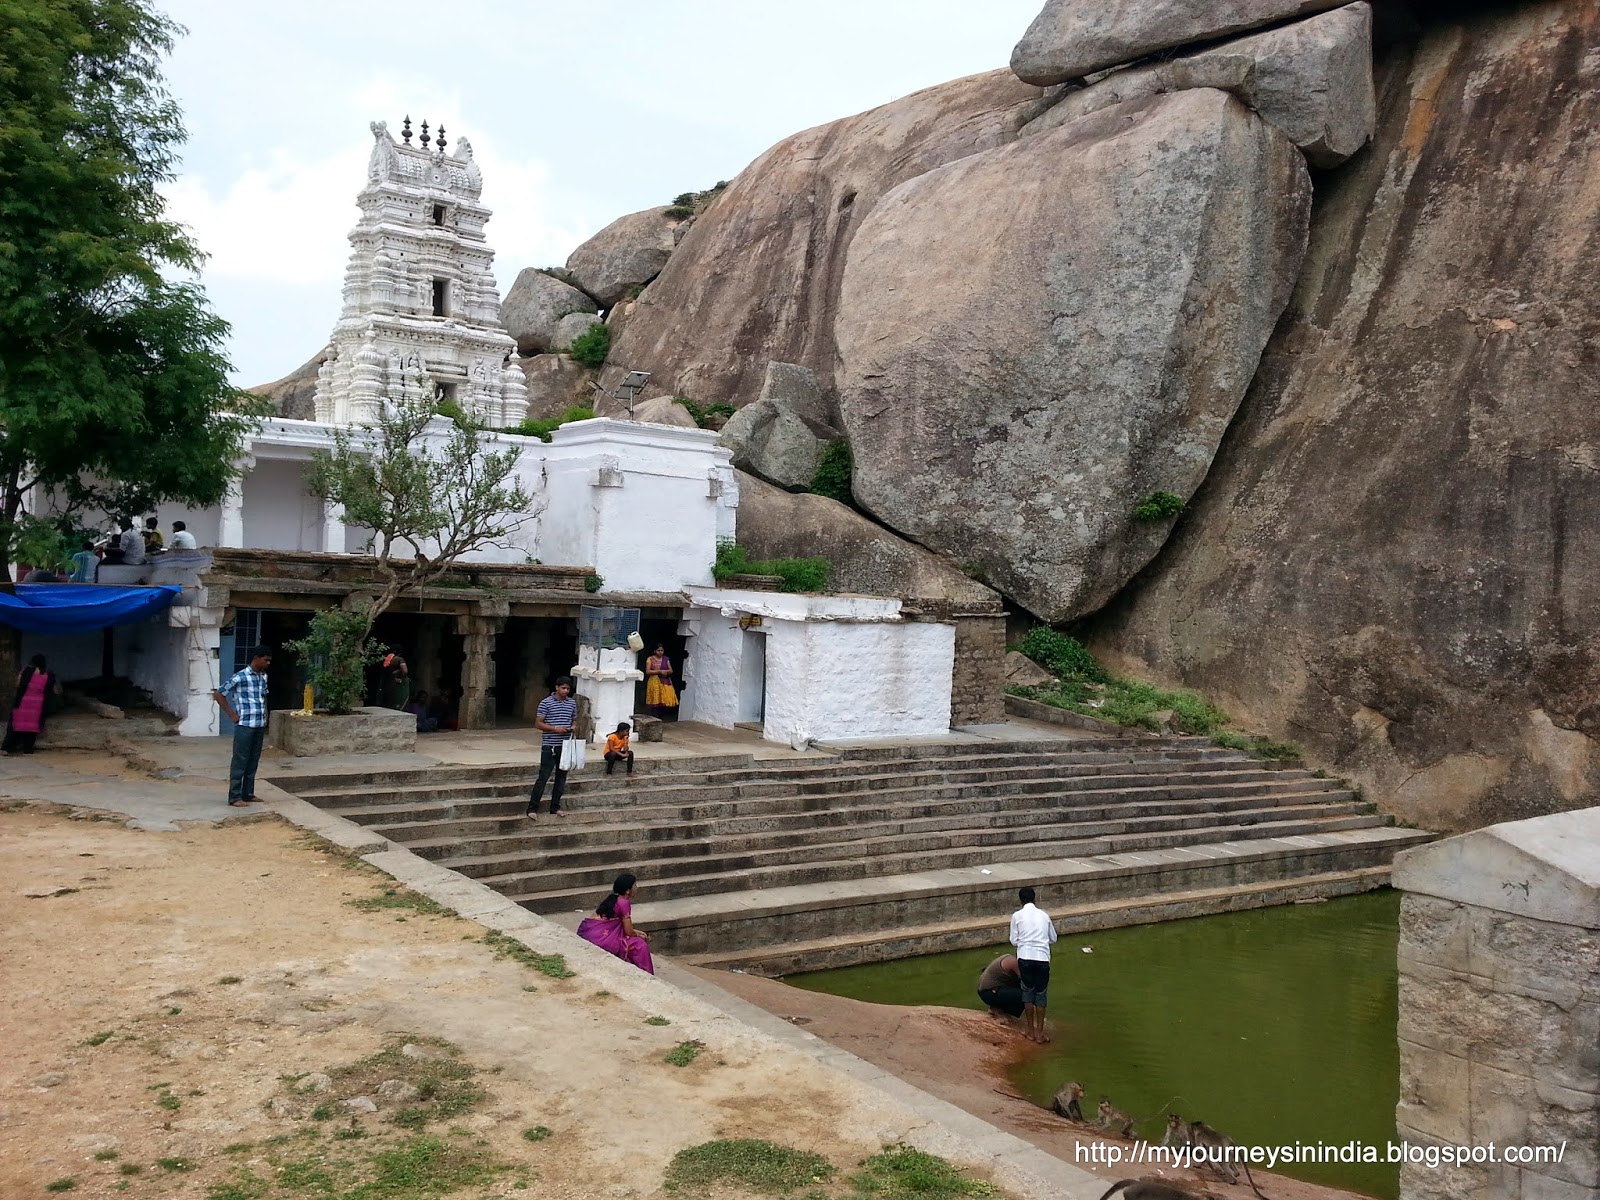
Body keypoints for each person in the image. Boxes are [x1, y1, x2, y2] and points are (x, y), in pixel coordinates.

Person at [214, 645, 273, 809]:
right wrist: (232, 714)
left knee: (253, 760)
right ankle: (234, 796)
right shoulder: (240, 677)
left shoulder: (263, 677)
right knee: (240, 760)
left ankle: (248, 793)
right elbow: (219, 693)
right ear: (256, 658)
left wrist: (266, 714)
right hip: (245, 725)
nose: (268, 663)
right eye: (265, 660)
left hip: (259, 724)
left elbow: (264, 697)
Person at [575, 872, 654, 974]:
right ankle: (645, 974)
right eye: (635, 886)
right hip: (603, 938)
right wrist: (640, 934)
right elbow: (629, 932)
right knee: (640, 944)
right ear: (627, 891)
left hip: (590, 932)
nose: (637, 888)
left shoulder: (611, 898)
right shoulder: (624, 903)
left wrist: (637, 932)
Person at [1010, 886, 1057, 1043]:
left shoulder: (1017, 916)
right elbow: (1053, 938)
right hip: (1042, 958)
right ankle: (1040, 1034)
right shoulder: (1044, 916)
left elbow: (1013, 940)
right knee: (1041, 994)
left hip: (1025, 957)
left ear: (1020, 900)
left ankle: (1030, 1031)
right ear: (1035, 898)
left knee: (1028, 992)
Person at [525, 677, 577, 818]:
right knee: (543, 777)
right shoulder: (546, 703)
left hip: (565, 746)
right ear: (556, 687)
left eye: (567, 689)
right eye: (563, 688)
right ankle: (532, 808)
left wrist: (572, 727)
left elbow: (574, 719)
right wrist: (555, 729)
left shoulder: (571, 703)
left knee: (561, 778)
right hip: (550, 745)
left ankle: (555, 807)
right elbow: (538, 723)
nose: (565, 691)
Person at [2, 655, 61, 754]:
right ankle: (28, 749)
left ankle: (8, 748)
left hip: (22, 703)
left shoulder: (26, 671)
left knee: (16, 726)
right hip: (37, 705)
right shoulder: (49, 675)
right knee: (31, 728)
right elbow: (56, 691)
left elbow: (18, 684)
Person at [976, 953, 1025, 1020]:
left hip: (989, 990)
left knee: (1019, 987)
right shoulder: (1013, 962)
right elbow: (1026, 980)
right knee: (1026, 995)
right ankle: (1003, 1011)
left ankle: (998, 1008)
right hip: (988, 992)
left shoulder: (1010, 958)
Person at [644, 644, 678, 717]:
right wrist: (659, 671)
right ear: (654, 651)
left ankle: (660, 716)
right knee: (654, 699)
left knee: (663, 698)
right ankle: (653, 716)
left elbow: (671, 670)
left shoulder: (666, 659)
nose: (660, 652)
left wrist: (665, 672)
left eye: (662, 650)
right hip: (654, 681)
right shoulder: (650, 659)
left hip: (664, 681)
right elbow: (648, 671)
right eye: (658, 650)